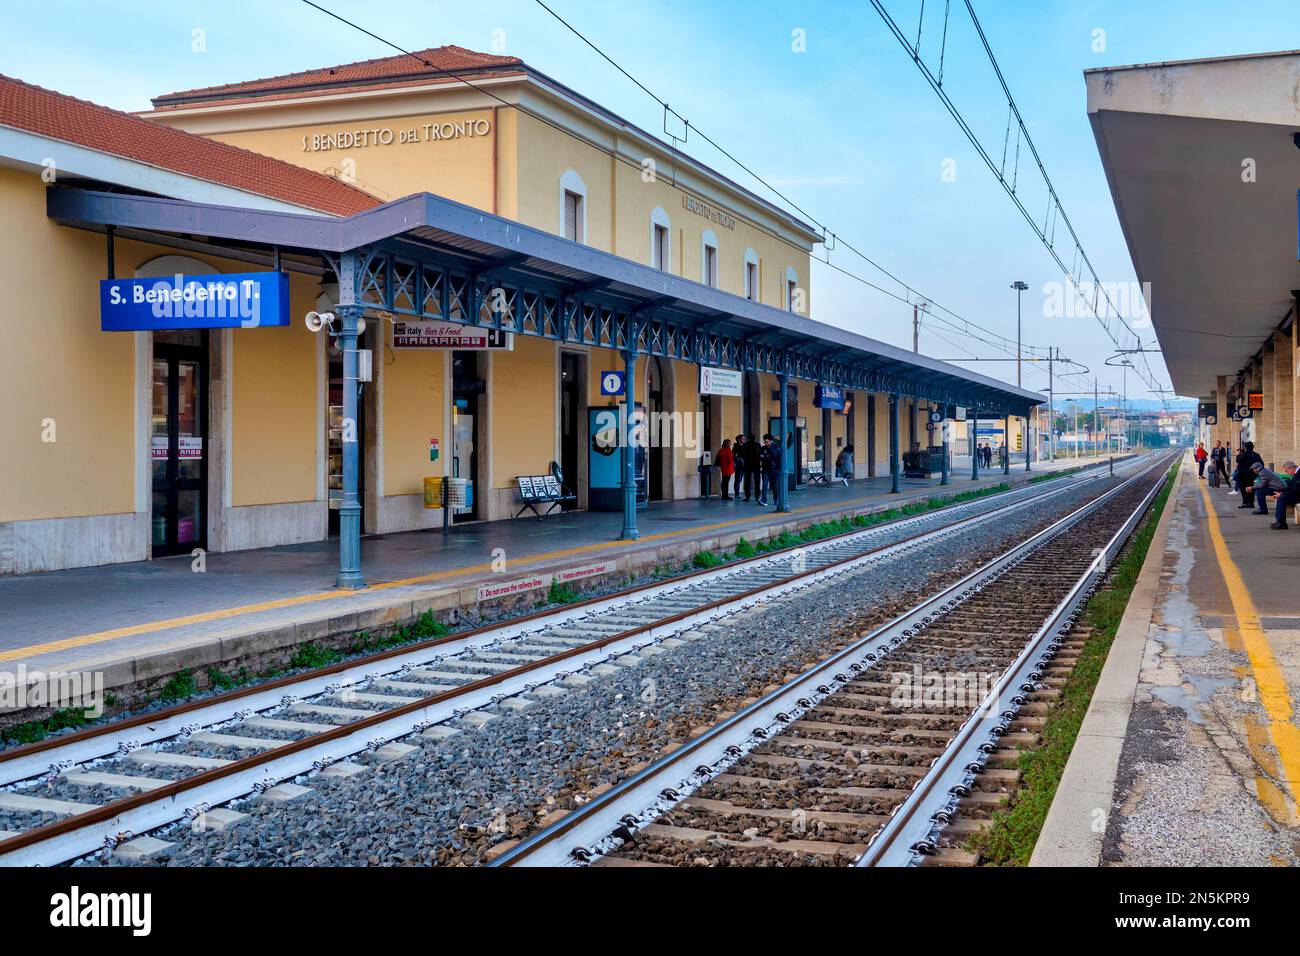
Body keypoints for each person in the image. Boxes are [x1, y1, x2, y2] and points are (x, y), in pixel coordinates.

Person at [1270, 461, 1299, 529]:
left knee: (1281, 498)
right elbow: (1291, 486)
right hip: (1297, 494)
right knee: (1281, 497)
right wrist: (1281, 492)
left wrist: (1282, 494)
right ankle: (1279, 521)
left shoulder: (1299, 473)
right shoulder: (1297, 473)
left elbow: (1296, 489)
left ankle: (1281, 523)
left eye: (1286, 471)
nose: (1287, 473)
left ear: (1291, 468)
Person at [1235, 441, 1263, 508]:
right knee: (1251, 488)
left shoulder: (1242, 454)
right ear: (1253, 447)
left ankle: (1245, 502)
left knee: (1243, 488)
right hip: (1251, 474)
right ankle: (1250, 503)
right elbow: (1261, 464)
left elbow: (1238, 460)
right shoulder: (1256, 455)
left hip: (1242, 474)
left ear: (1245, 447)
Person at [758, 433, 780, 506]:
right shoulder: (762, 448)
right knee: (764, 484)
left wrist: (779, 469)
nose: (766, 443)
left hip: (774, 469)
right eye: (765, 442)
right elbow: (760, 457)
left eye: (767, 442)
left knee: (774, 486)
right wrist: (763, 457)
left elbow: (779, 459)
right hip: (765, 469)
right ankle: (763, 500)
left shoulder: (776, 448)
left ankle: (776, 499)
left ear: (771, 441)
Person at [741, 433, 760, 501]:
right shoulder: (757, 445)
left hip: (748, 465)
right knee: (757, 481)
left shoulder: (745, 445)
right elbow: (759, 455)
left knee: (747, 481)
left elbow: (742, 455)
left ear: (748, 437)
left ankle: (747, 496)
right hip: (756, 465)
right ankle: (757, 496)